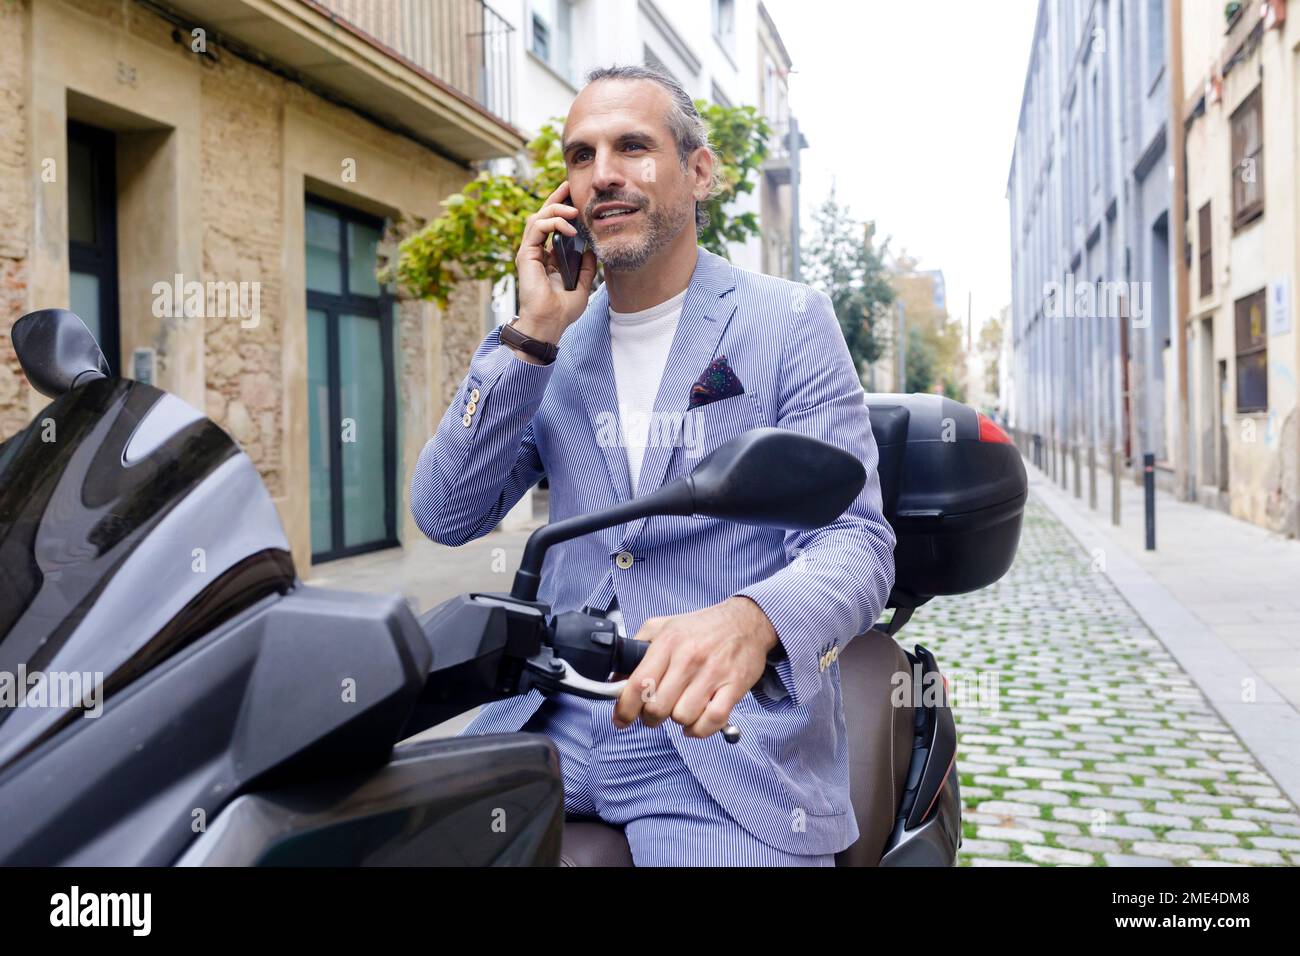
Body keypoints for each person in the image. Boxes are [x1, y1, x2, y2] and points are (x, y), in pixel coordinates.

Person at [411, 64, 895, 866]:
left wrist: (751, 620)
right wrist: (529, 336)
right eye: (580, 155)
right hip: (547, 720)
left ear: (698, 171)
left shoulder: (788, 321)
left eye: (633, 146)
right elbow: (444, 511)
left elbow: (857, 541)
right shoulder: (553, 343)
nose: (602, 173)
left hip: (713, 736)